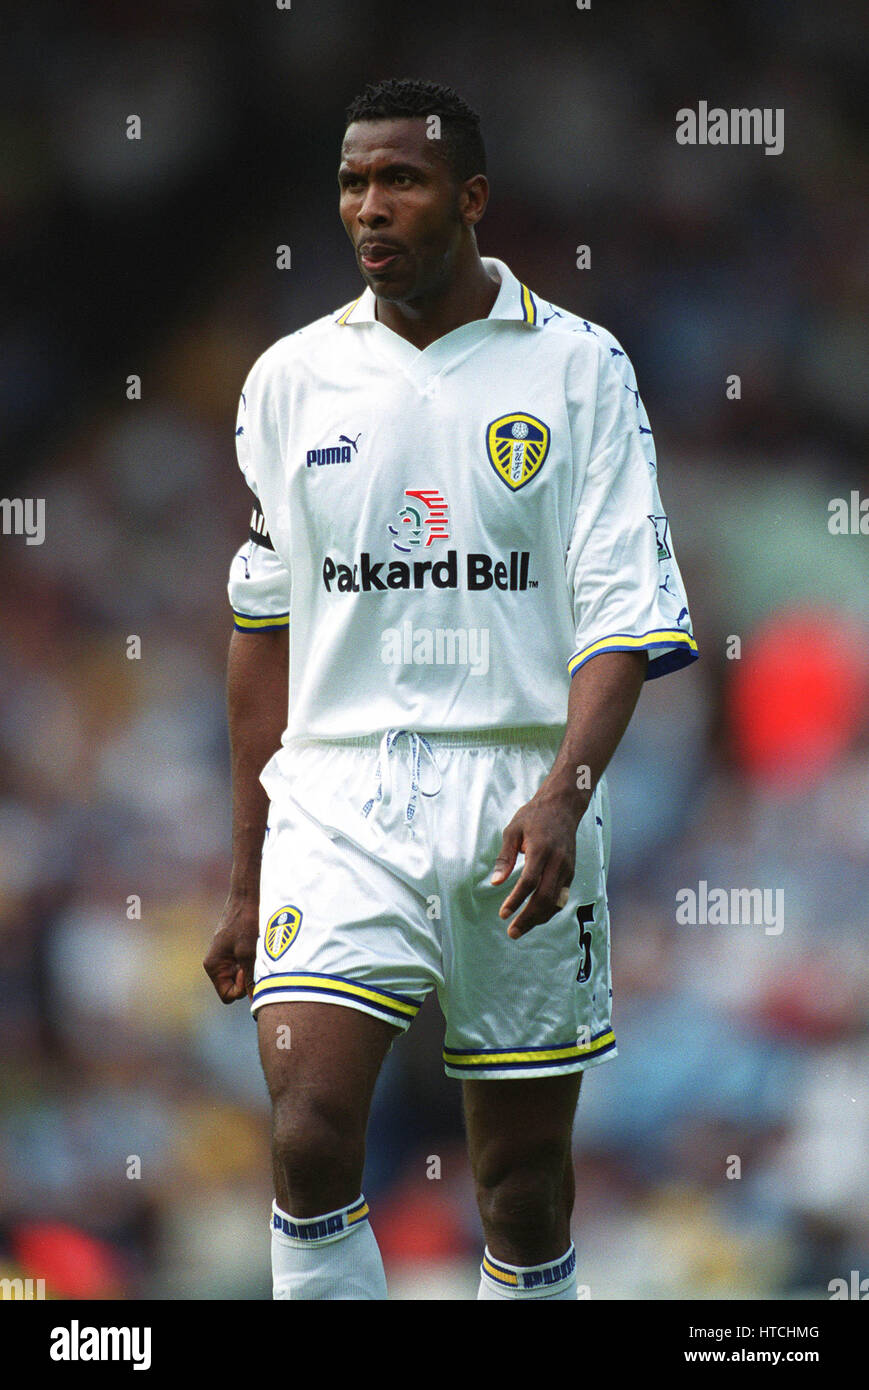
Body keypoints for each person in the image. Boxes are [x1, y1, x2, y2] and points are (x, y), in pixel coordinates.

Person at [204, 77, 698, 1301]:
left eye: (400, 181)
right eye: (351, 184)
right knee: (311, 1129)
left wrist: (564, 795)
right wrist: (243, 868)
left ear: (469, 198)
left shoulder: (579, 369)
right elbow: (260, 635)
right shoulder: (288, 381)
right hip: (338, 786)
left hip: (519, 789)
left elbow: (623, 616)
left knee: (521, 1186)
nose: (370, 208)